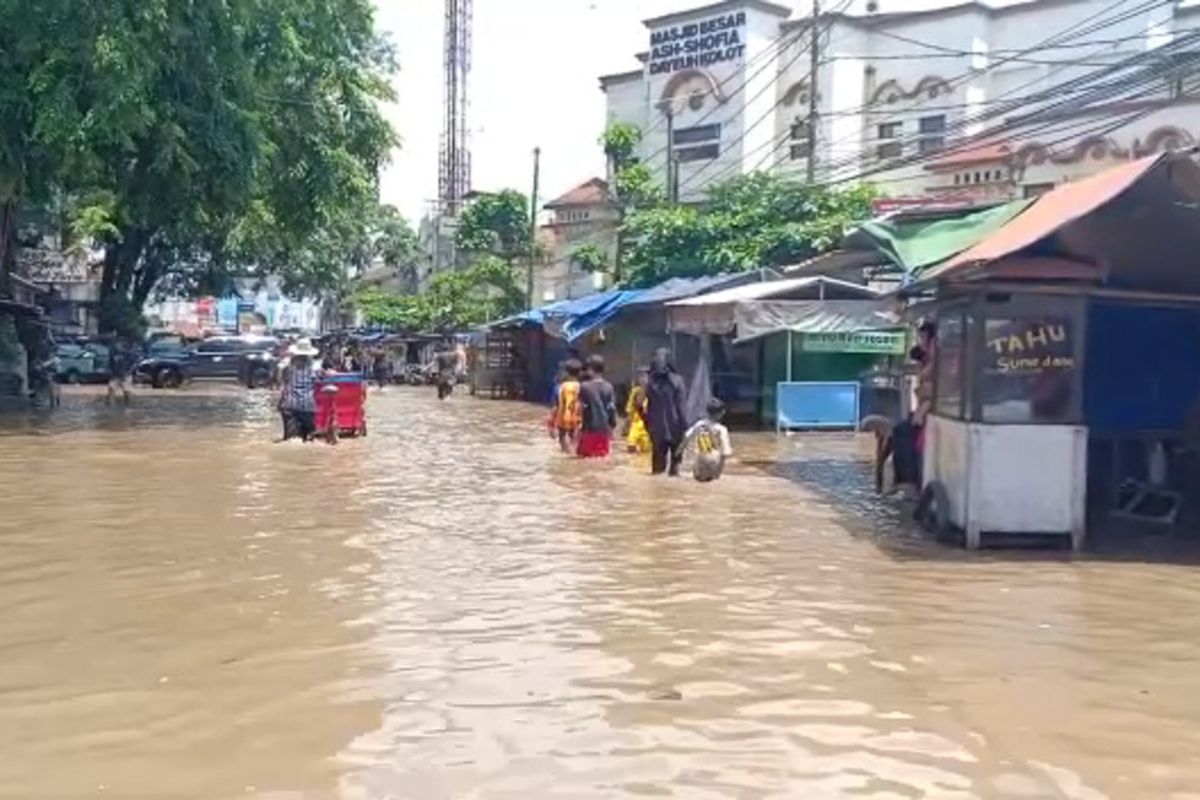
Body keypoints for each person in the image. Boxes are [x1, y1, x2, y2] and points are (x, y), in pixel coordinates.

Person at [645, 348, 688, 476]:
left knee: (657, 470)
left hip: (657, 430)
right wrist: (686, 427)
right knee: (675, 468)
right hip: (676, 428)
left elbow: (645, 406)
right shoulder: (678, 381)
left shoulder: (650, 383)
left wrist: (649, 426)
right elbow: (681, 408)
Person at [684, 397, 734, 482]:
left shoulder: (699, 424)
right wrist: (718, 472)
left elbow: (686, 437)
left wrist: (681, 455)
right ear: (722, 413)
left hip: (699, 462)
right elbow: (725, 452)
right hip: (714, 462)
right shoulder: (721, 429)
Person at [577, 354, 616, 458]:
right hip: (604, 430)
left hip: (589, 429)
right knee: (601, 457)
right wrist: (611, 428)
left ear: (590, 369)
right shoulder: (609, 387)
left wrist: (577, 429)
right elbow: (611, 409)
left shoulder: (584, 386)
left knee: (585, 459)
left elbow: (580, 409)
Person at [279, 338, 318, 441]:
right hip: (307, 405)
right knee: (308, 437)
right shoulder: (315, 366)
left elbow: (279, 379)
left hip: (289, 404)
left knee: (290, 438)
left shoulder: (286, 364)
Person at [552, 358, 583, 454]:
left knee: (562, 437)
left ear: (566, 372)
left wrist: (551, 423)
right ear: (580, 373)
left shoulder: (561, 387)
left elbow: (555, 406)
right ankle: (574, 452)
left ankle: (565, 452)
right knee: (574, 438)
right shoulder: (581, 386)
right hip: (576, 417)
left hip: (563, 417)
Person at [624, 366, 651, 454]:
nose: (642, 379)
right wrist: (626, 426)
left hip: (648, 427)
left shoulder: (653, 391)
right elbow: (630, 409)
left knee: (647, 452)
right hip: (635, 424)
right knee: (631, 446)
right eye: (640, 376)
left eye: (644, 376)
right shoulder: (635, 391)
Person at [106, 337, 137, 406]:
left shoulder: (128, 353)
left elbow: (133, 364)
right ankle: (111, 407)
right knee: (111, 390)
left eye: (119, 343)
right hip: (115, 375)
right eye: (117, 343)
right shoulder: (113, 353)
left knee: (127, 392)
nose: (117, 345)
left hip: (126, 375)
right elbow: (110, 364)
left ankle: (129, 406)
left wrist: (128, 372)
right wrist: (110, 372)